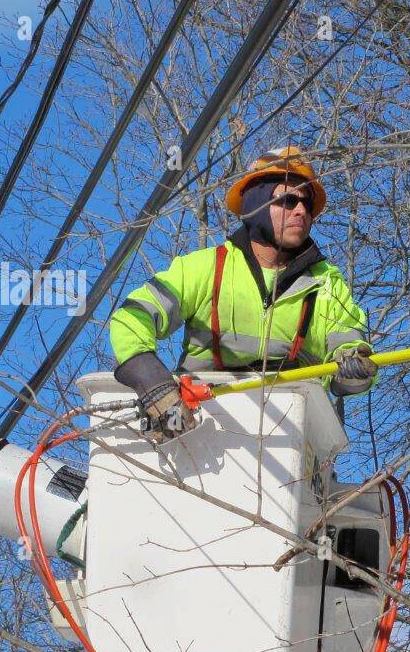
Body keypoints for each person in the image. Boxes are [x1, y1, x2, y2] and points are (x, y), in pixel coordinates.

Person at [109, 146, 377, 440]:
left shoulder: (326, 284)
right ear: (257, 205)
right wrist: (152, 382)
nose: (301, 211)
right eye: (288, 200)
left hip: (291, 440)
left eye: (307, 205)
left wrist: (355, 368)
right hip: (200, 431)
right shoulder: (206, 268)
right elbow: (131, 318)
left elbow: (351, 357)